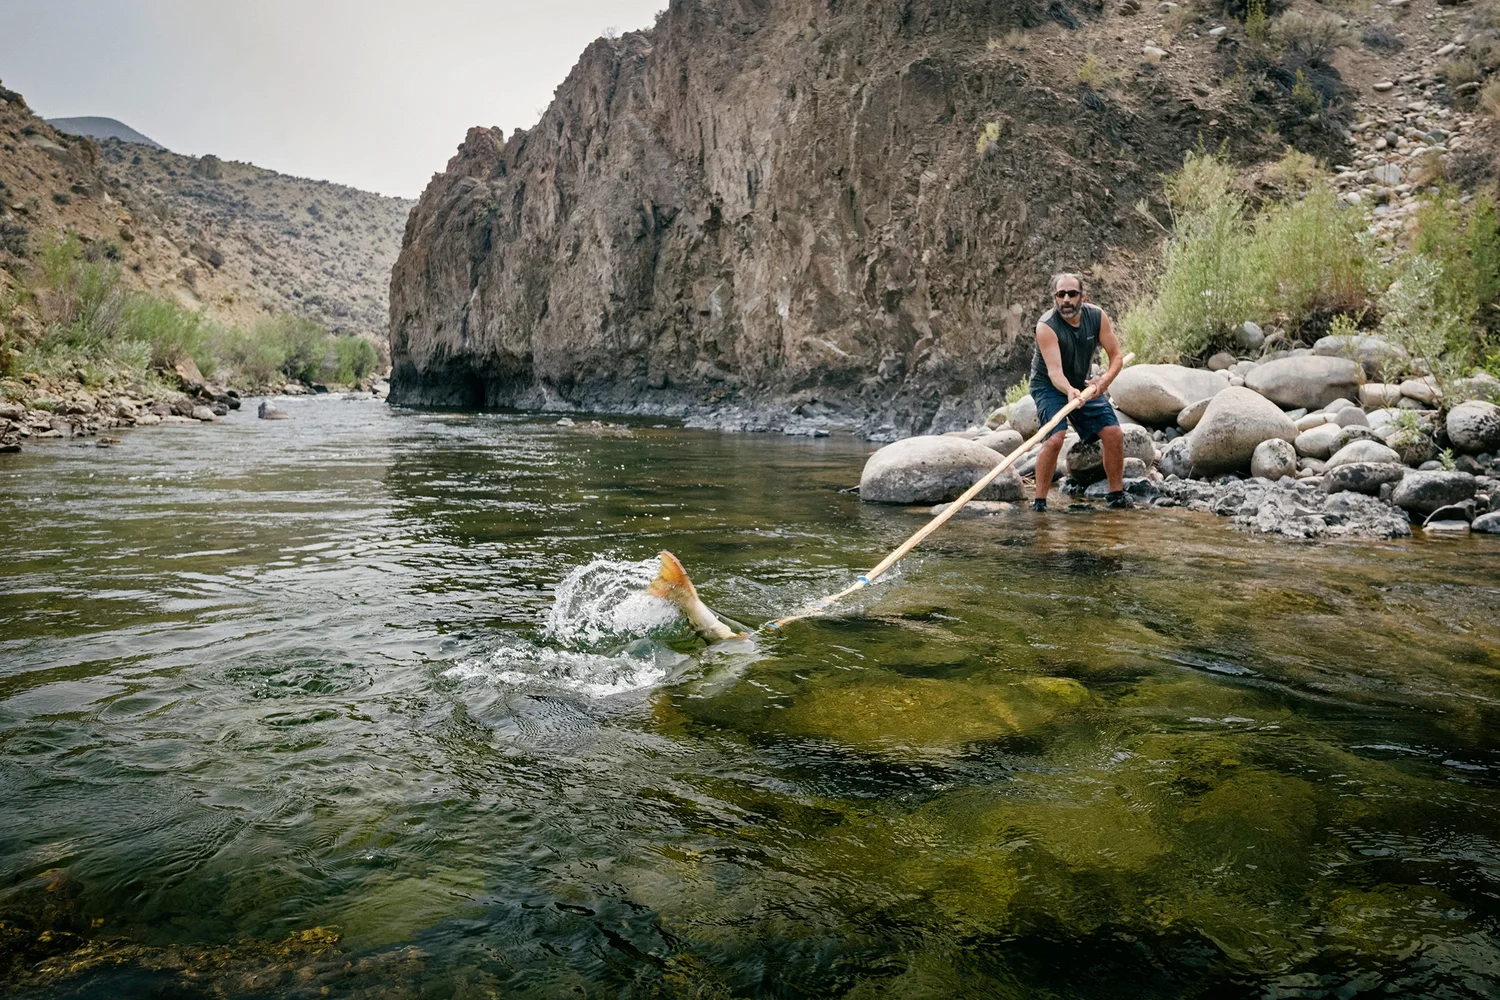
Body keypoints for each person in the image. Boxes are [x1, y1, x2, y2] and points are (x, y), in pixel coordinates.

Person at [1028, 272, 1131, 511]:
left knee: (1114, 433)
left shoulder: (1097, 316)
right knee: (1055, 439)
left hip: (1083, 384)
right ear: (1055, 297)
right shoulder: (1046, 327)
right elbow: (1054, 374)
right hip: (1049, 387)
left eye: (1072, 294)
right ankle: (1039, 503)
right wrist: (1069, 390)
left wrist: (1103, 381)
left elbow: (1116, 356)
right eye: (1060, 294)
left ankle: (1116, 496)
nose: (1066, 299)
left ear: (1083, 297)